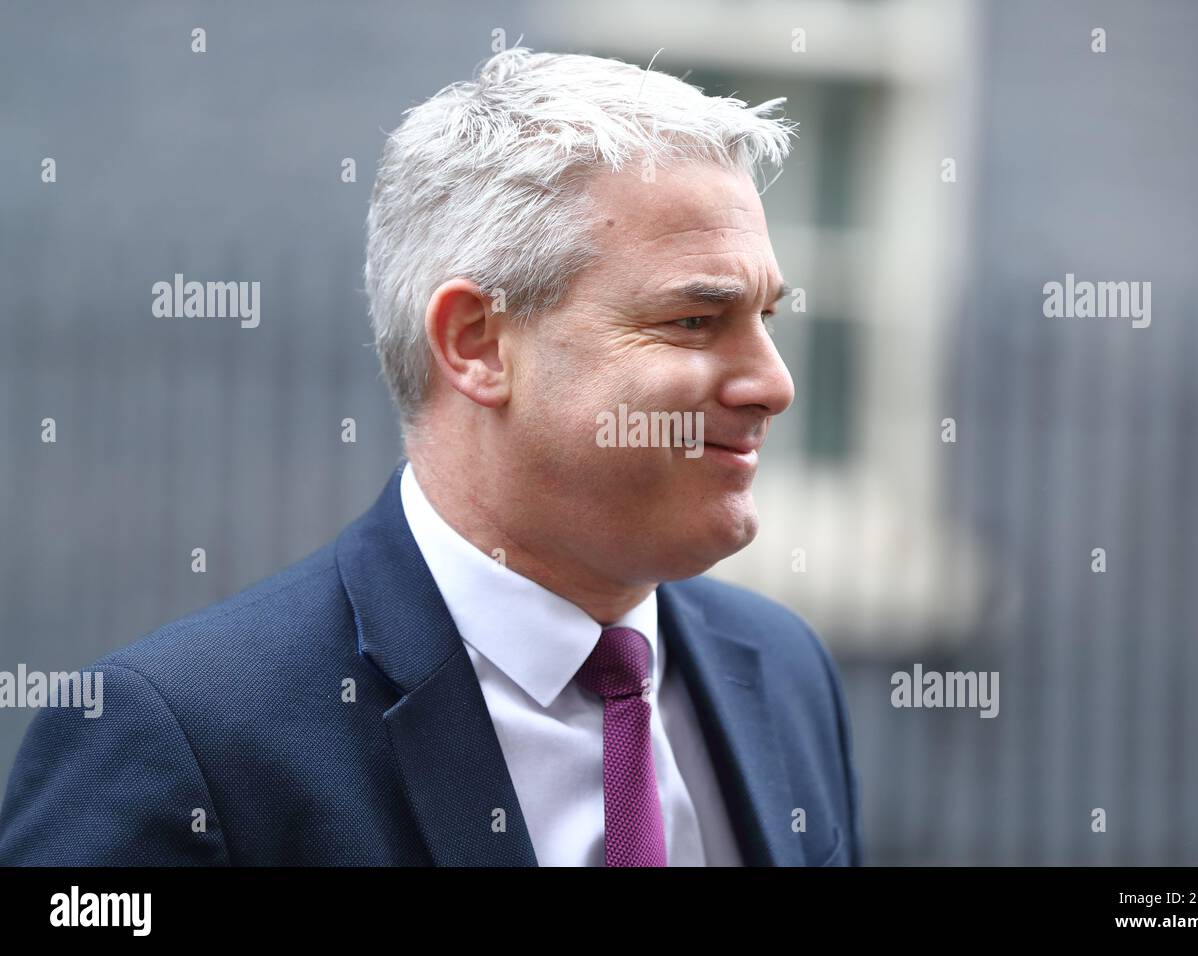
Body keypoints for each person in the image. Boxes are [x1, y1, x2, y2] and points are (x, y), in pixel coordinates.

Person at [0, 47, 863, 867]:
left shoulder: (783, 672)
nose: (773, 384)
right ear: (478, 345)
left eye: (768, 319)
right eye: (694, 321)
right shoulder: (185, 740)